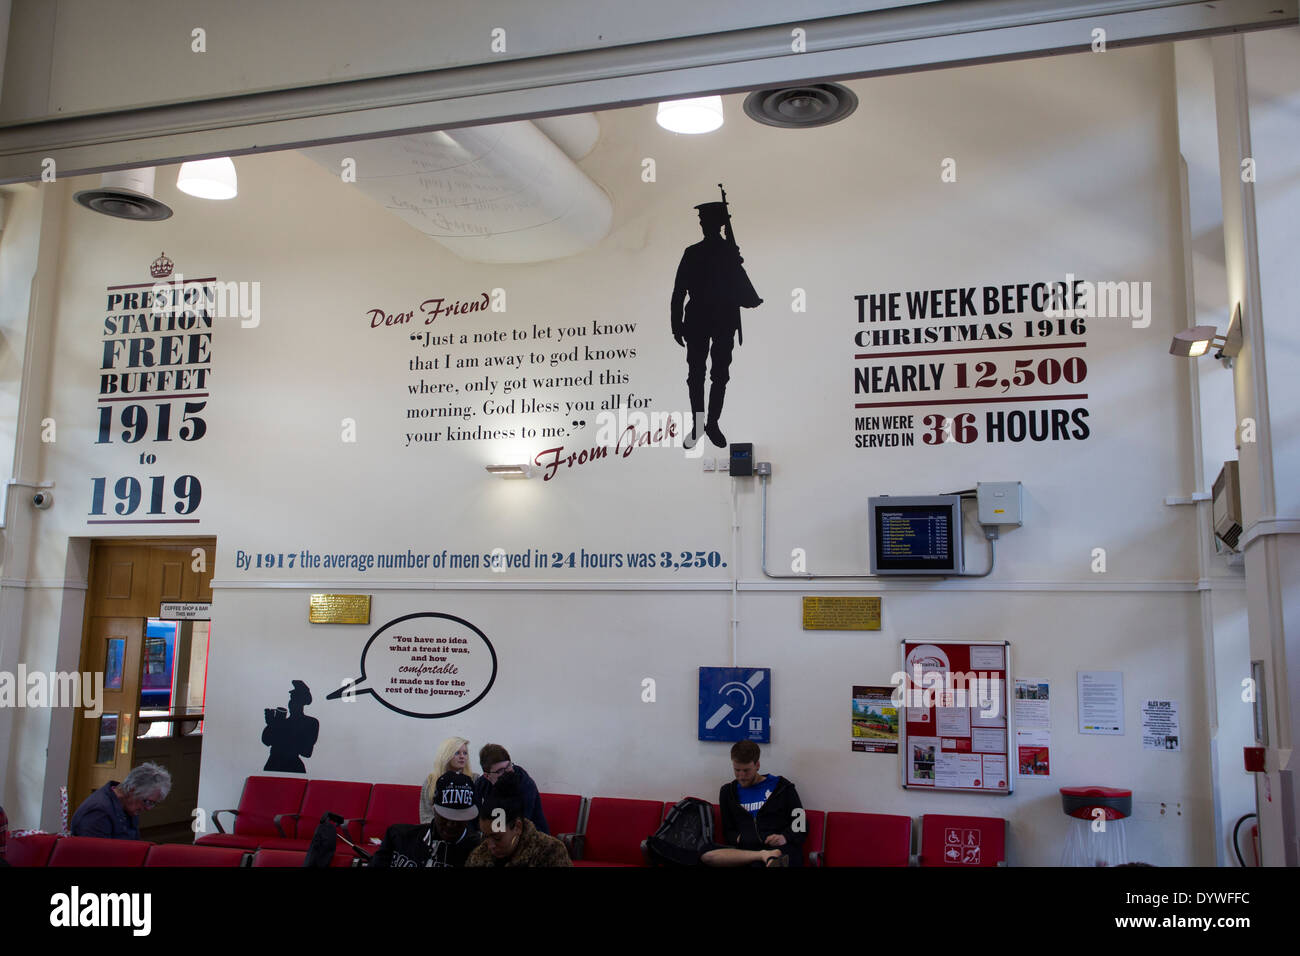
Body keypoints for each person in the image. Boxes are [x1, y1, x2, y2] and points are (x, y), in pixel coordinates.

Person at [670, 194, 762, 450]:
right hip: (701, 318)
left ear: (718, 224)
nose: (703, 224)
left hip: (721, 318)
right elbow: (679, 291)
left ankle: (711, 423)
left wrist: (749, 293)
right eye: (702, 220)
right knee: (697, 374)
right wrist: (676, 324)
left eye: (706, 220)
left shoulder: (728, 253)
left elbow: (741, 287)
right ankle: (701, 424)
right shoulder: (697, 252)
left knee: (717, 374)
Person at [712, 739, 805, 867]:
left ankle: (770, 858)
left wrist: (784, 837)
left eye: (746, 770)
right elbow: (728, 831)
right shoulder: (728, 792)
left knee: (759, 864)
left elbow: (800, 824)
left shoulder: (782, 787)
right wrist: (739, 839)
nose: (741, 776)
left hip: (778, 849)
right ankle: (763, 857)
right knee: (705, 851)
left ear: (757, 765)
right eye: (737, 770)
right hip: (746, 851)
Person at [371, 772, 483, 867]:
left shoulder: (480, 853)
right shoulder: (398, 836)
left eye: (458, 818)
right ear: (433, 807)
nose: (450, 824)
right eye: (446, 816)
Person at [465, 776, 571, 867]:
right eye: (486, 836)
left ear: (518, 827)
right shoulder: (479, 856)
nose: (490, 845)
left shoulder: (550, 852)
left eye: (497, 838)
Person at [69, 762, 171, 840]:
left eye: (153, 804)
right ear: (132, 790)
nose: (148, 808)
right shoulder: (98, 813)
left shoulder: (128, 807)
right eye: (147, 802)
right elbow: (97, 859)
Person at [472, 743, 550, 834]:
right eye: (500, 771)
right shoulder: (481, 784)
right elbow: (475, 817)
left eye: (508, 766)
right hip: (496, 834)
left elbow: (520, 825)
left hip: (531, 835)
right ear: (487, 776)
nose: (507, 772)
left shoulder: (525, 784)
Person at [262, 679, 318, 773]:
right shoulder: (282, 722)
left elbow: (307, 752)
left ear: (302, 703)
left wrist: (280, 728)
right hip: (273, 765)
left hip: (293, 766)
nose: (291, 703)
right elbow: (266, 741)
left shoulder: (310, 722)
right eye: (291, 699)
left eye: (295, 699)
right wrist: (271, 724)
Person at [419, 736, 473, 823]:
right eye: (457, 753)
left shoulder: (473, 779)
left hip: (467, 832)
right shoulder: (431, 780)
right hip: (438, 831)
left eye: (465, 753)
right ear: (446, 755)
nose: (462, 756)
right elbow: (426, 816)